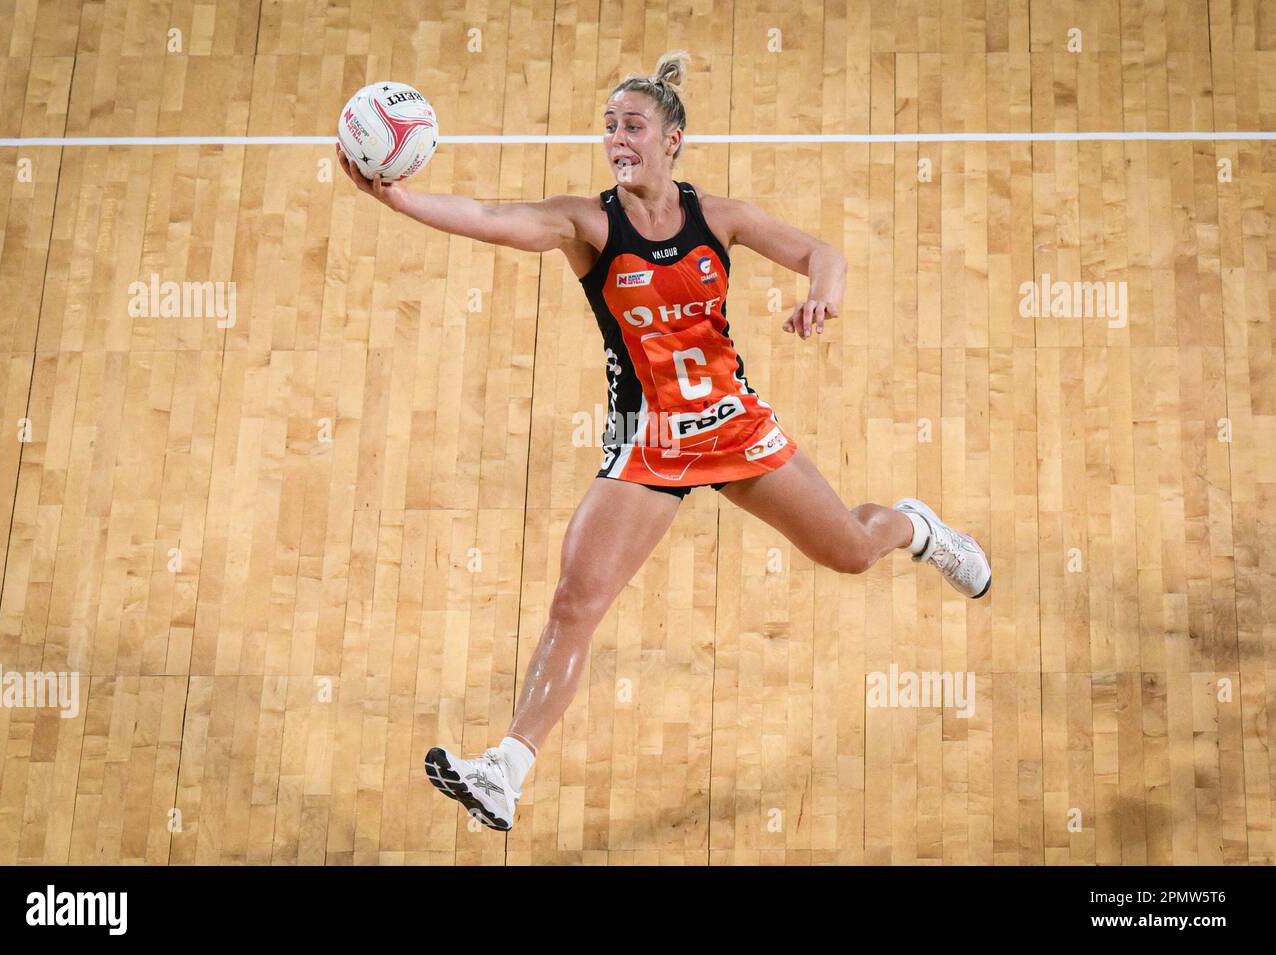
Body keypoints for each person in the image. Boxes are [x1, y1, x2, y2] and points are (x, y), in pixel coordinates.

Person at [337, 50, 991, 832]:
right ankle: (505, 771)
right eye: (609, 126)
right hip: (646, 442)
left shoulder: (719, 218)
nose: (618, 137)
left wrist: (825, 295)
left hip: (732, 423)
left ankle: (915, 527)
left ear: (671, 138)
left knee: (852, 550)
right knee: (577, 597)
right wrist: (402, 202)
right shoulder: (585, 224)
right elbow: (490, 217)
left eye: (633, 125)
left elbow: (824, 252)